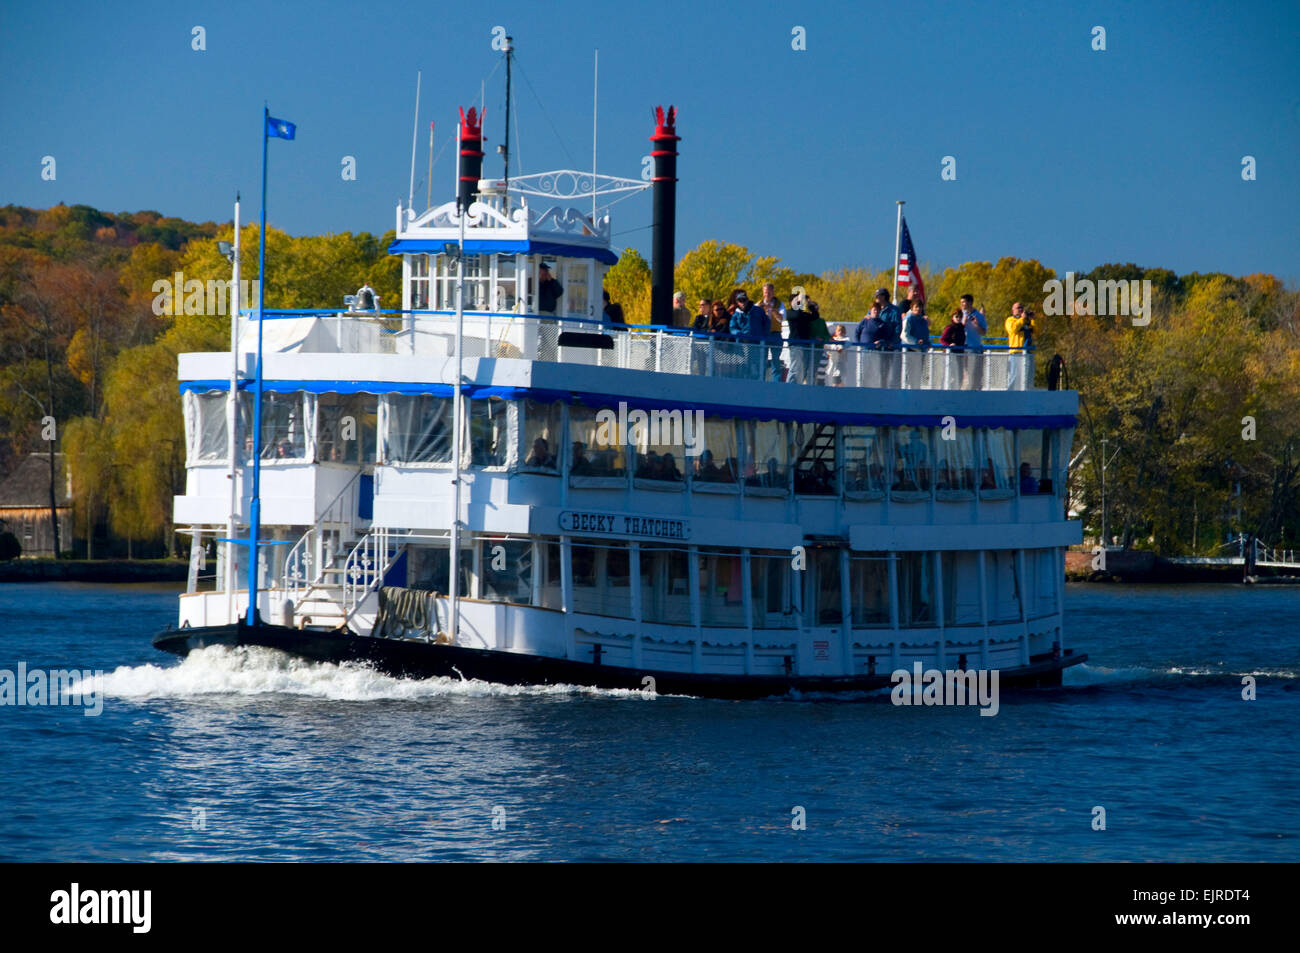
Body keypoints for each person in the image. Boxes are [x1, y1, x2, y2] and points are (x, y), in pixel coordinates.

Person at [959, 293, 987, 389]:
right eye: (961, 302)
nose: (962, 304)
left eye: (964, 302)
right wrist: (963, 322)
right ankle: (965, 391)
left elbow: (983, 332)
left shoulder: (979, 316)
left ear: (970, 302)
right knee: (965, 373)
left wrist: (976, 325)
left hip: (975, 348)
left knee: (976, 374)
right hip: (963, 349)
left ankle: (975, 392)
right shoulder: (960, 314)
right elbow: (955, 329)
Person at [1005, 301, 1035, 389]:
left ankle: (1027, 391)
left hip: (1027, 351)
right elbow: (1013, 329)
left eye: (1021, 307)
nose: (1021, 309)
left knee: (1028, 375)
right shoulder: (1010, 320)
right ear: (1013, 310)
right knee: (1015, 375)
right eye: (1018, 308)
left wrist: (1032, 319)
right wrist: (1022, 319)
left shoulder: (1026, 321)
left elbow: (1037, 331)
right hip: (1016, 352)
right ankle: (1011, 392)